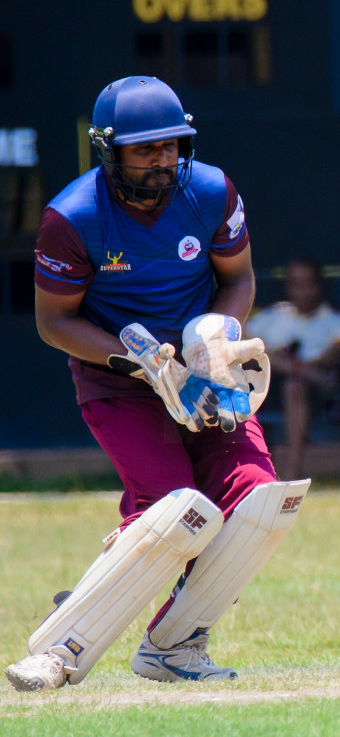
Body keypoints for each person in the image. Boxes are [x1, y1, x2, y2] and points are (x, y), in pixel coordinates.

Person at [6, 76, 309, 693]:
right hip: (119, 379)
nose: (162, 159)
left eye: (171, 145)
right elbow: (53, 322)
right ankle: (61, 648)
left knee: (260, 502)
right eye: (145, 148)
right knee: (176, 510)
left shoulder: (211, 191)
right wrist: (141, 364)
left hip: (206, 374)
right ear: (109, 150)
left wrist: (217, 341)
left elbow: (239, 281)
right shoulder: (72, 217)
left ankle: (174, 645)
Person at [247, 257, 340, 483]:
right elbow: (243, 337)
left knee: (294, 386)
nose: (303, 291)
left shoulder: (338, 321)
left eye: (309, 284)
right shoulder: (273, 317)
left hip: (323, 396)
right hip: (268, 392)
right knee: (263, 363)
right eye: (296, 284)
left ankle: (292, 476)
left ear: (320, 284)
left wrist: (290, 365)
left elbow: (338, 352)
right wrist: (289, 364)